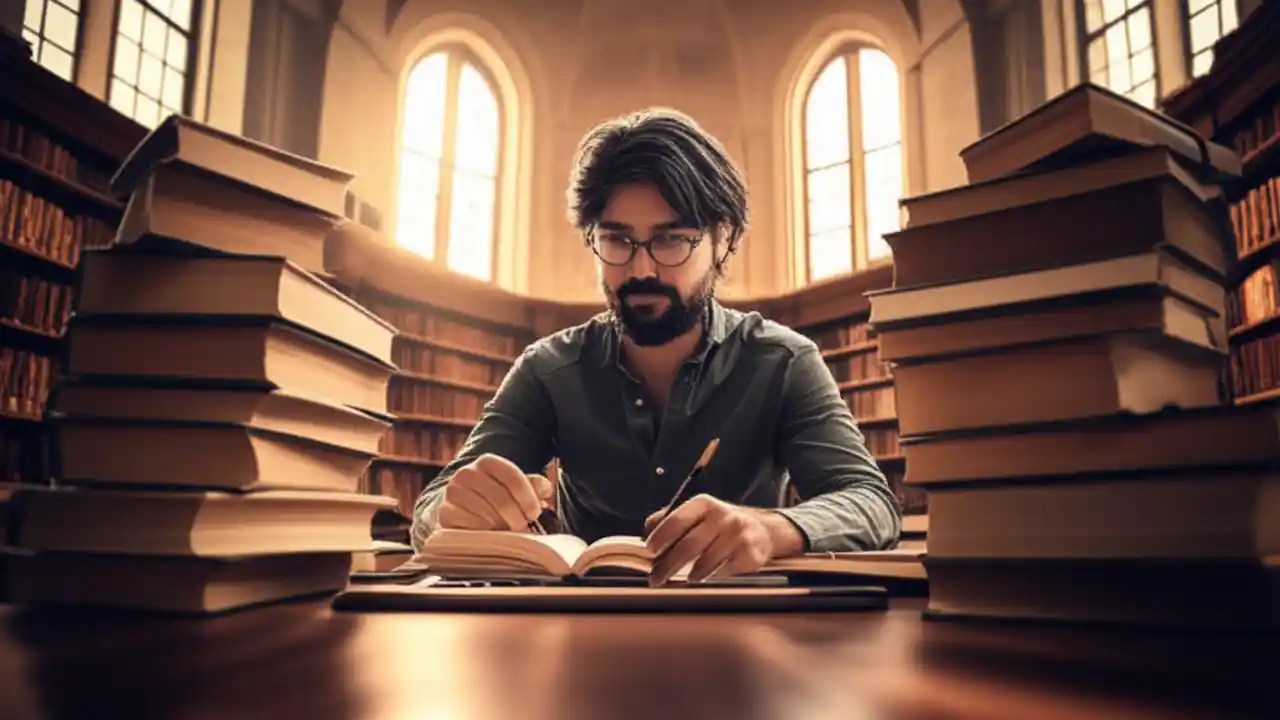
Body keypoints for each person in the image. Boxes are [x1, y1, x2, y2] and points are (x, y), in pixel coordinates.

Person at [411, 108, 900, 585]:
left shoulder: (784, 362)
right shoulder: (546, 369)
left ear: (722, 239)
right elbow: (432, 509)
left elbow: (871, 501)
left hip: (745, 630)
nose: (641, 270)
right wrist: (459, 510)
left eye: (671, 241)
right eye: (617, 240)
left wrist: (774, 529)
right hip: (576, 631)